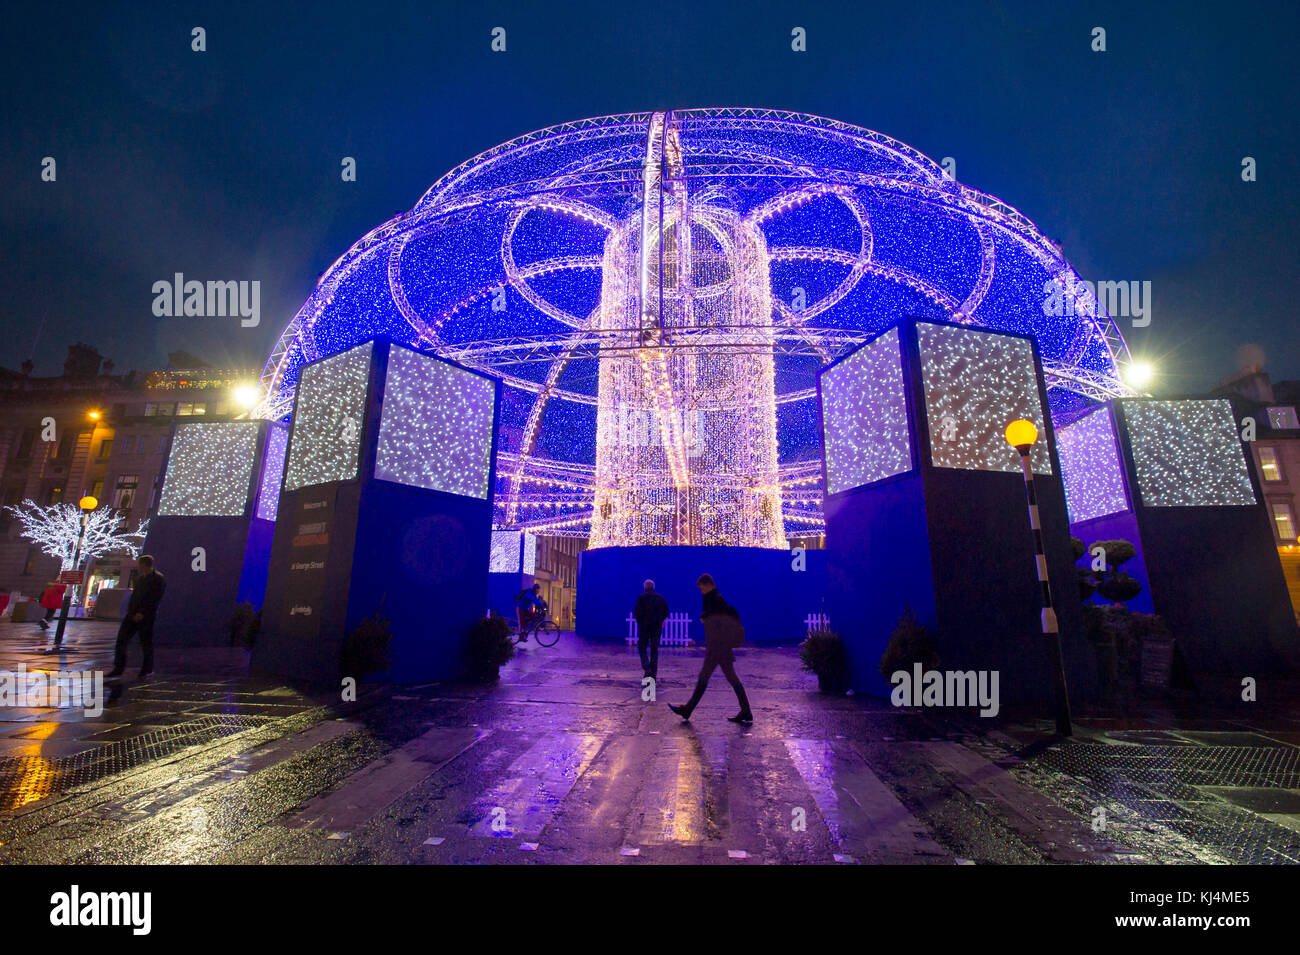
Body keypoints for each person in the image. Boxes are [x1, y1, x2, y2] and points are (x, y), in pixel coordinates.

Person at [668, 573, 753, 724]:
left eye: (701, 588)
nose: (701, 591)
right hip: (721, 648)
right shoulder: (715, 599)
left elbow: (718, 625)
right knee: (729, 678)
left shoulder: (714, 600)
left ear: (707, 584)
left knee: (706, 678)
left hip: (717, 648)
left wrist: (705, 619)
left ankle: (688, 710)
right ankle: (745, 710)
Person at [108, 555, 166, 679]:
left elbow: (155, 598)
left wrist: (143, 613)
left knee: (146, 643)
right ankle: (118, 668)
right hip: (132, 615)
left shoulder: (157, 579)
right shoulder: (140, 579)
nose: (138, 566)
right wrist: (131, 612)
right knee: (122, 640)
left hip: (146, 617)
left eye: (139, 564)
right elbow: (135, 597)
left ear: (144, 565)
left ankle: (147, 669)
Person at [632, 579, 669, 680]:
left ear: (645, 587)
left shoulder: (641, 597)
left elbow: (636, 613)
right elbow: (666, 612)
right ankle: (653, 676)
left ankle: (646, 666)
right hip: (656, 627)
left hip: (644, 627)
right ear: (653, 587)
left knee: (641, 647)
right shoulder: (660, 598)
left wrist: (640, 622)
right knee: (654, 650)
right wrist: (660, 620)